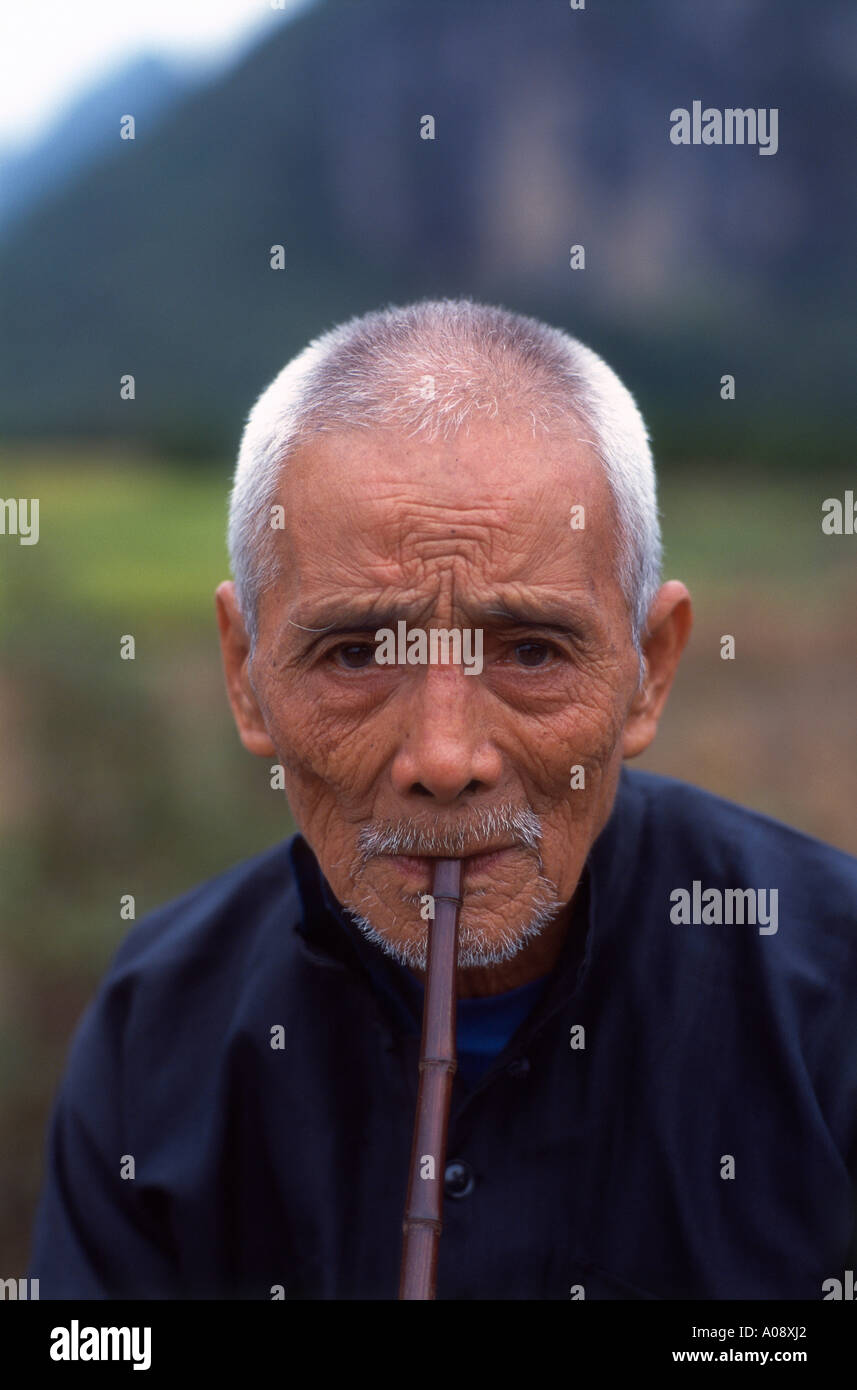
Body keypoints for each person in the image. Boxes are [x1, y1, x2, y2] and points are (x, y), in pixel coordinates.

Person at [29, 299, 857, 1299]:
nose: (443, 755)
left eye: (531, 652)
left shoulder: (830, 1005)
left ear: (649, 667)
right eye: (356, 653)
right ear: (246, 673)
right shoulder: (155, 1032)